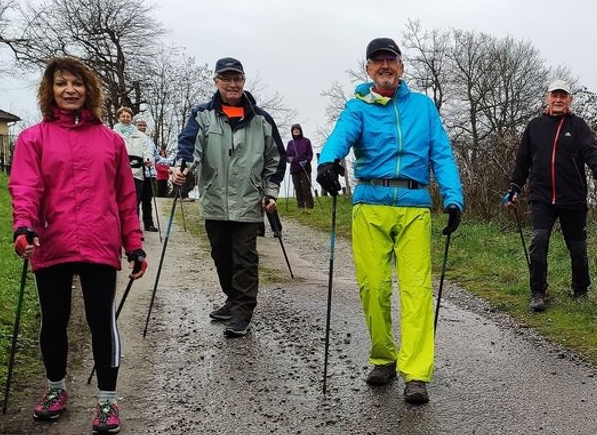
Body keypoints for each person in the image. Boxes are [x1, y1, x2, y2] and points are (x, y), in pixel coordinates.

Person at [316, 37, 463, 405]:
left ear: (401, 66)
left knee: (416, 290)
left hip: (414, 206)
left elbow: (442, 155)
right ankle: (383, 357)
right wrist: (327, 161)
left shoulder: (424, 108)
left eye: (391, 60)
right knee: (373, 286)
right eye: (377, 61)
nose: (385, 66)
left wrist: (453, 197)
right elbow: (340, 138)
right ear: (368, 69)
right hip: (370, 204)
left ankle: (416, 373)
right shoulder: (358, 107)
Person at [8, 57, 148, 435]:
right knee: (53, 320)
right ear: (49, 90)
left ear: (89, 90)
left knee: (101, 320)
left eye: (77, 83)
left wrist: (134, 244)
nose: (69, 90)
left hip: (99, 242)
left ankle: (107, 400)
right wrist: (24, 225)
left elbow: (124, 197)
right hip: (50, 241)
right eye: (61, 83)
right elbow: (25, 187)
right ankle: (56, 389)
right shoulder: (32, 138)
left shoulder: (111, 141)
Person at [170, 57, 285, 337]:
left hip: (248, 200)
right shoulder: (202, 115)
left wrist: (270, 191)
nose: (232, 84)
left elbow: (276, 159)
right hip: (215, 201)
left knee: (245, 257)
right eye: (226, 78)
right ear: (216, 81)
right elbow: (189, 146)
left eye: (237, 79)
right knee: (221, 255)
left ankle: (242, 311)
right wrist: (182, 168)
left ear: (244, 81)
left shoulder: (261, 119)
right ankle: (233, 298)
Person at [505, 80, 597, 312]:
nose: (558, 100)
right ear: (547, 98)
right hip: (542, 197)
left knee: (577, 248)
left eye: (563, 96)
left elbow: (591, 152)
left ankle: (581, 290)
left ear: (569, 100)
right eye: (555, 95)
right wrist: (514, 188)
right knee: (539, 241)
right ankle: (538, 291)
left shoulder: (578, 126)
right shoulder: (535, 126)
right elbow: (523, 161)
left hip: (572, 198)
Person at [112, 106, 157, 232]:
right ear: (118, 118)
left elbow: (147, 149)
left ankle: (134, 229)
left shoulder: (141, 136)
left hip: (137, 172)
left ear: (131, 118)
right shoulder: (113, 133)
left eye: (128, 116)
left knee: (134, 201)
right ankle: (118, 228)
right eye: (123, 116)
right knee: (119, 200)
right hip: (119, 172)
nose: (125, 119)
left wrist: (148, 158)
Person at [135, 117, 160, 228]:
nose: (142, 127)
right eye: (139, 125)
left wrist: (171, 163)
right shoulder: (133, 138)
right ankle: (134, 226)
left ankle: (149, 223)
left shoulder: (150, 141)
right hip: (136, 173)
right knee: (135, 201)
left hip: (150, 174)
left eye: (144, 125)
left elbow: (156, 157)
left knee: (147, 200)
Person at [286, 123, 315, 209]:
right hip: (294, 168)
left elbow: (310, 154)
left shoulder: (306, 141)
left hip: (305, 167)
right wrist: (289, 159)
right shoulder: (290, 143)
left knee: (306, 187)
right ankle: (300, 206)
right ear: (292, 132)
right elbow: (286, 155)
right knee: (297, 188)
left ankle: (310, 206)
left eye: (297, 129)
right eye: (294, 130)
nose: (296, 131)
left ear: (300, 130)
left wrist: (306, 160)